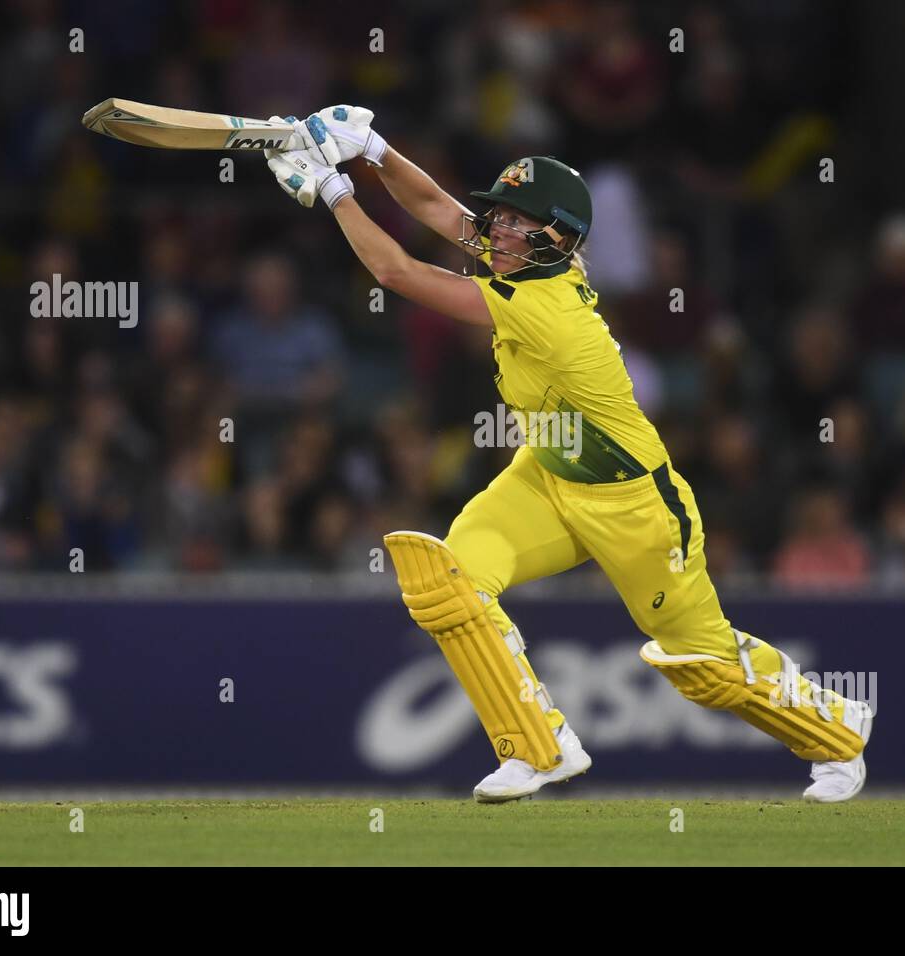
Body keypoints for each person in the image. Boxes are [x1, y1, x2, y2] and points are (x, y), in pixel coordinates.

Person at [265, 106, 874, 803]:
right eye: (497, 217)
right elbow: (436, 205)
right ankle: (537, 748)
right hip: (548, 474)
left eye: (514, 221)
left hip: (633, 503)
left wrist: (333, 190)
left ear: (555, 238)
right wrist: (371, 147)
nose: (495, 228)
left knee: (700, 665)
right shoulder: (519, 263)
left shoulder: (539, 304)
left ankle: (836, 727)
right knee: (448, 578)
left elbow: (396, 271)